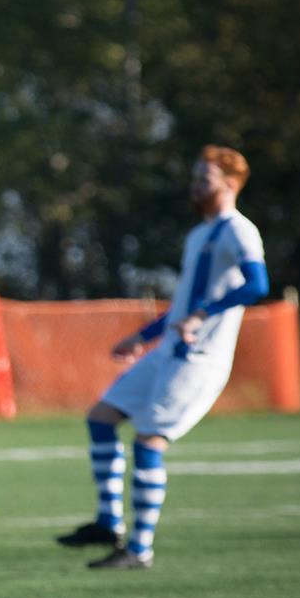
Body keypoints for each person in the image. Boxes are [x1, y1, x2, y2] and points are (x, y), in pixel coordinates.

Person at [56, 145, 269, 569]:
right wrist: (143, 336)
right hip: (169, 350)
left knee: (149, 440)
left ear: (229, 184)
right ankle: (107, 522)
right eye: (194, 177)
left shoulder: (238, 229)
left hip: (199, 358)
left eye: (203, 179)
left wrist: (201, 316)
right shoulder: (199, 234)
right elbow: (182, 304)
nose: (195, 186)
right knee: (101, 416)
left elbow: (257, 285)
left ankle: (138, 550)